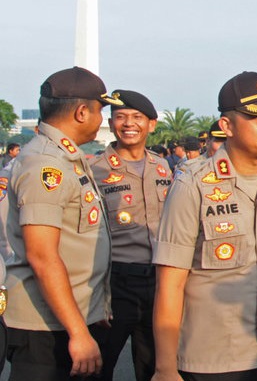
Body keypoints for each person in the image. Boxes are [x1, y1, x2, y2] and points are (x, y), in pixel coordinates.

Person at [152, 71, 257, 380]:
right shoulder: (193, 185)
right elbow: (171, 281)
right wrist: (165, 368)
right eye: (256, 117)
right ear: (226, 126)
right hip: (215, 356)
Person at [4, 67, 121, 379]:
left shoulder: (67, 157)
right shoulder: (46, 164)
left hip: (70, 319)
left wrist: (95, 310)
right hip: (48, 329)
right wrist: (79, 333)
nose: (103, 120)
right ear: (82, 112)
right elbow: (42, 256)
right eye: (100, 111)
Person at [89, 89, 171, 381]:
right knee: (97, 366)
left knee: (153, 367)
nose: (128, 123)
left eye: (137, 117)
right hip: (114, 283)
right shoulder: (93, 170)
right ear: (110, 125)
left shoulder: (163, 167)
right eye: (120, 117)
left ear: (152, 124)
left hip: (158, 281)